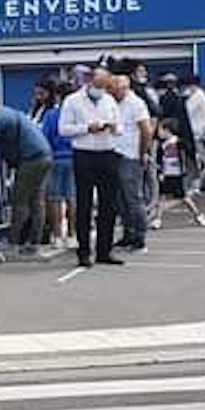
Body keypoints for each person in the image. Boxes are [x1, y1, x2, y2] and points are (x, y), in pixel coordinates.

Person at [60, 67, 125, 267]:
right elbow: (64, 129)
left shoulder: (109, 100)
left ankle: (105, 251)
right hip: (84, 154)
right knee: (84, 204)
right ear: (89, 82)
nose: (102, 89)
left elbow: (121, 127)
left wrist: (114, 128)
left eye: (105, 86)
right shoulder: (72, 101)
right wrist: (87, 128)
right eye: (99, 85)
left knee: (109, 205)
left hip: (108, 152)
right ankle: (84, 252)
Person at [0, 93, 53, 254]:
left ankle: (13, 241)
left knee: (20, 200)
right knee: (37, 201)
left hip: (31, 160)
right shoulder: (10, 112)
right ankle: (34, 241)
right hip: (44, 155)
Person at [111, 75, 153, 252]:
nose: (111, 92)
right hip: (114, 153)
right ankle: (128, 234)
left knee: (133, 198)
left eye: (114, 89)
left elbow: (146, 130)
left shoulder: (136, 103)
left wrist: (143, 152)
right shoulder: (112, 103)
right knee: (120, 199)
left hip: (130, 155)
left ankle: (139, 237)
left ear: (124, 88)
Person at [38, 80, 77, 248]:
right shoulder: (77, 115)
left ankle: (57, 235)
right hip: (75, 158)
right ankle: (73, 234)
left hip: (55, 159)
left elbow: (43, 138)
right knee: (72, 198)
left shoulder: (51, 115)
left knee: (54, 198)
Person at [156, 118, 205, 227]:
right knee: (163, 196)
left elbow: (190, 155)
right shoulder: (162, 145)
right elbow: (160, 160)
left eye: (160, 130)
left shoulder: (179, 143)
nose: (158, 133)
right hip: (167, 173)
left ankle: (198, 214)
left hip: (178, 174)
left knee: (183, 197)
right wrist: (160, 171)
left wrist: (197, 167)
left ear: (168, 130)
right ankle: (157, 219)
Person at [183, 75, 205, 191]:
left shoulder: (197, 95)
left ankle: (199, 184)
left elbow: (187, 110)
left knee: (199, 159)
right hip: (202, 131)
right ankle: (204, 180)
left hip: (197, 132)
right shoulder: (201, 94)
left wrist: (185, 97)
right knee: (204, 159)